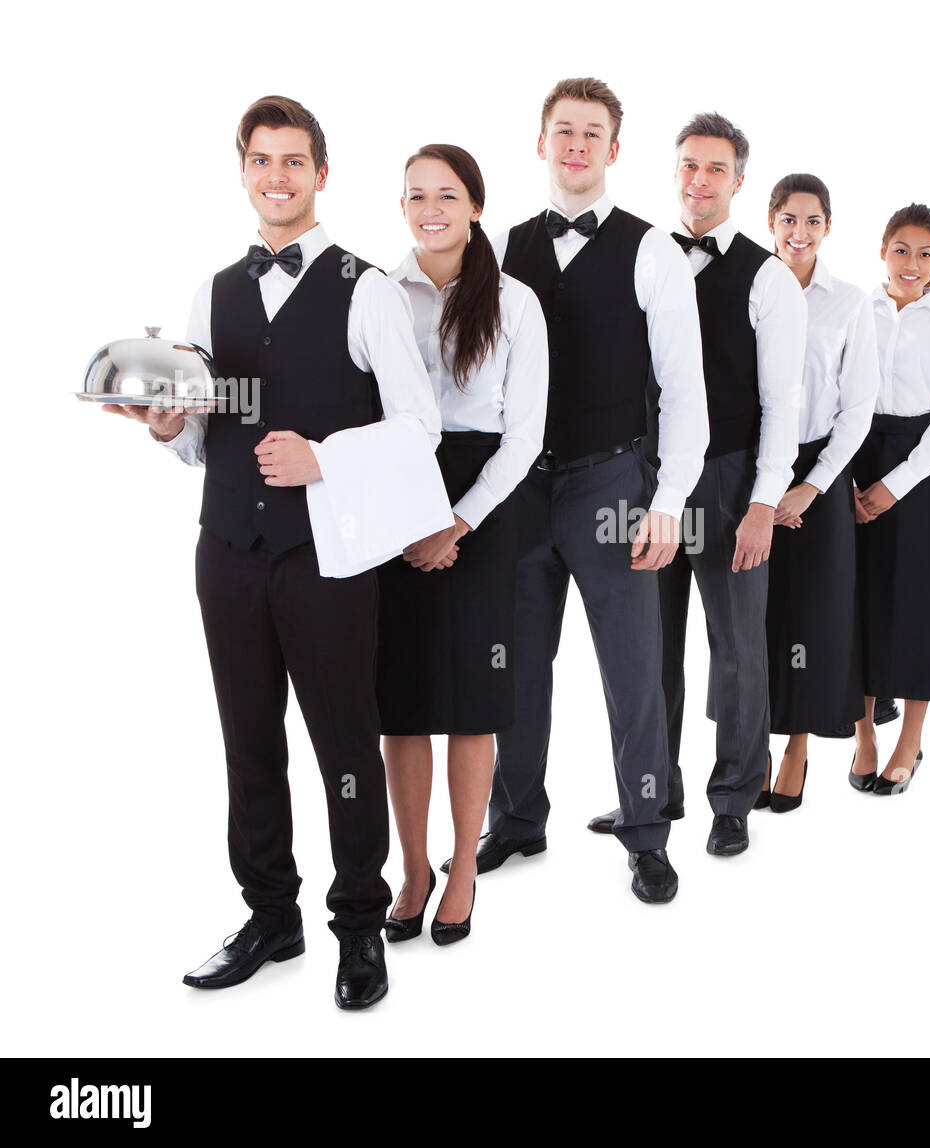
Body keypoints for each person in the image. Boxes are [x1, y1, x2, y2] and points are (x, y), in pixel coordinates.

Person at [105, 95, 454, 1009]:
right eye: (262, 161)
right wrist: (165, 424)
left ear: (321, 174)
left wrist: (323, 459)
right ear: (245, 171)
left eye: (294, 161)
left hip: (326, 556)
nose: (277, 177)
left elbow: (419, 427)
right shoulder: (211, 291)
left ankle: (357, 925)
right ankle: (270, 915)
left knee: (342, 742)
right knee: (248, 741)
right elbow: (193, 434)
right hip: (225, 547)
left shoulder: (366, 285)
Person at [479, 78, 708, 903]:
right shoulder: (500, 249)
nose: (576, 145)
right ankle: (516, 817)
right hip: (521, 486)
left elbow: (685, 389)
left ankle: (646, 831)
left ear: (613, 151)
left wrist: (670, 498)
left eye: (592, 133)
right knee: (514, 662)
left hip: (614, 479)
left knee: (633, 665)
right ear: (541, 143)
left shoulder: (650, 250)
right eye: (563, 131)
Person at [586, 112, 804, 853]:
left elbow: (784, 402)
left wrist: (764, 502)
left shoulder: (768, 277)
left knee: (738, 645)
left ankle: (735, 797)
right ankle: (653, 793)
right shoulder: (643, 253)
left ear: (739, 181)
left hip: (730, 478)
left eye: (716, 169)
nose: (700, 180)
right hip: (645, 474)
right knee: (648, 647)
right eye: (688, 165)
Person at [378, 145, 547, 946]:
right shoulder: (377, 294)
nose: (430, 207)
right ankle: (412, 867)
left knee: (472, 704)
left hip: (483, 500)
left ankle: (464, 867)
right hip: (396, 496)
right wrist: (409, 515)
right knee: (402, 702)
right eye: (415, 195)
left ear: (476, 204)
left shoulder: (515, 303)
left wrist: (460, 520)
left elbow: (526, 436)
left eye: (446, 194)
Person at [752, 173, 874, 814]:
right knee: (755, 616)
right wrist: (765, 490)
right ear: (771, 221)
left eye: (813, 221)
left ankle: (797, 743)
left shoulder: (850, 303)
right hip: (752, 472)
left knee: (814, 614)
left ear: (828, 227)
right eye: (789, 219)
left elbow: (858, 408)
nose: (800, 233)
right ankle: (756, 744)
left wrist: (811, 488)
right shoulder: (747, 285)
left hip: (821, 470)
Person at [850, 204, 930, 795]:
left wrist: (894, 485)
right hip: (858, 450)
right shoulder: (859, 311)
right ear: (882, 249)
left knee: (922, 604)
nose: (912, 263)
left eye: (926, 253)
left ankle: (911, 739)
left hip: (922, 467)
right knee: (858, 597)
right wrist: (847, 477)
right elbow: (839, 392)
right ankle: (865, 734)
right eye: (902, 249)